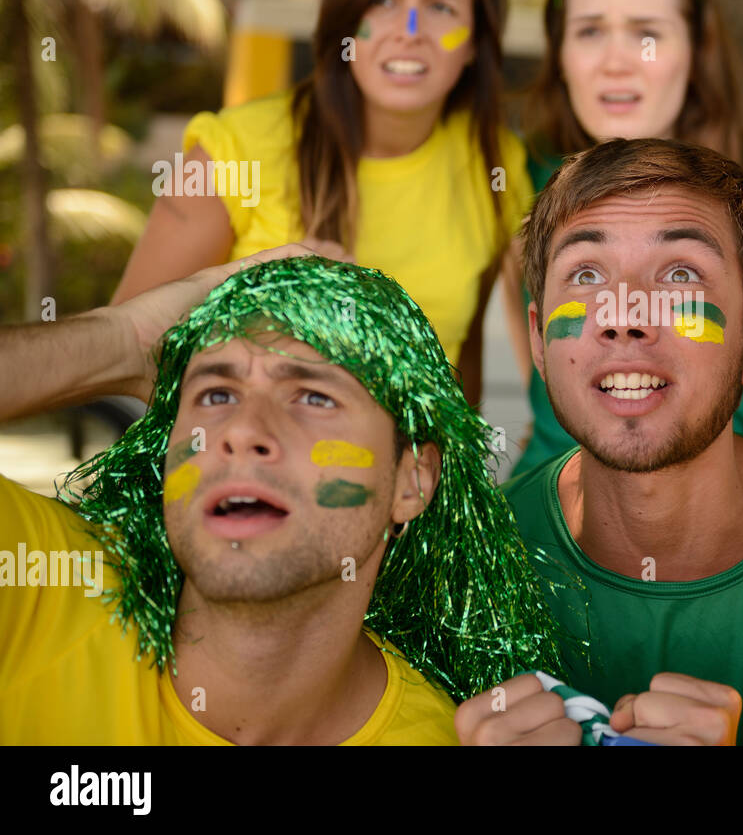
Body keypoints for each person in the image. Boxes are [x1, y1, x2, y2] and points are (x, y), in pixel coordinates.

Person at [0, 249, 568, 743]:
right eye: (217, 393)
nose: (243, 431)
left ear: (412, 480)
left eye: (314, 398)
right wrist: (122, 342)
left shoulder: (452, 741)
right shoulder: (40, 583)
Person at [456, 138, 743, 746]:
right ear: (540, 342)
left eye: (680, 274)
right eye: (588, 275)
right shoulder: (466, 567)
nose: (625, 313)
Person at [110, 0, 527, 403]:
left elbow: (463, 366)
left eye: (441, 7)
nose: (410, 29)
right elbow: (121, 356)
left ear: (475, 44)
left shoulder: (492, 160)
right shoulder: (235, 150)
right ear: (346, 19)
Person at [506, 0, 743, 475]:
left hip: (720, 524)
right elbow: (539, 364)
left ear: (695, 52)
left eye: (646, 33)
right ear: (559, 54)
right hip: (544, 522)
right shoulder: (518, 177)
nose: (615, 62)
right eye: (589, 32)